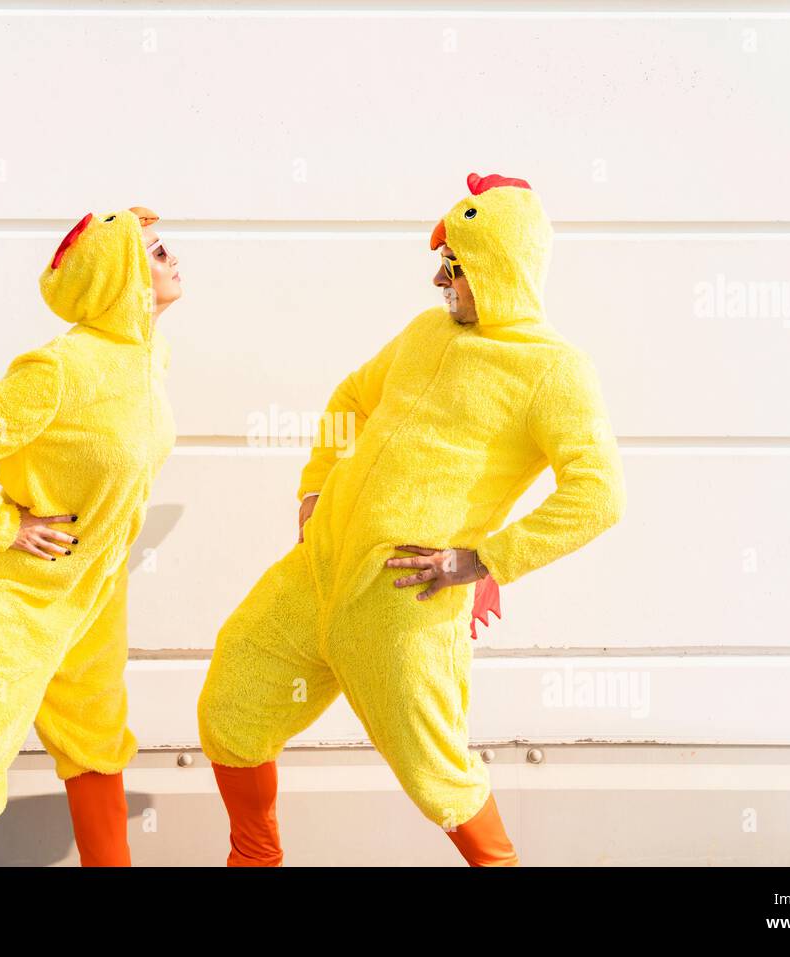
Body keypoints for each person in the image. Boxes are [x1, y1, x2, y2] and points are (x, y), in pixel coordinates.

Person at [196, 173, 625, 866]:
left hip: (404, 603)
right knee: (231, 706)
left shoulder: (555, 371)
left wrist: (480, 560)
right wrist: (312, 489)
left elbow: (600, 493)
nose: (437, 280)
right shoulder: (426, 331)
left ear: (497, 266)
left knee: (441, 782)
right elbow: (351, 396)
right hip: (317, 574)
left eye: (452, 266)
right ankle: (256, 860)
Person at [0, 205, 181, 866]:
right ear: (122, 277)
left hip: (93, 591)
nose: (172, 259)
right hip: (19, 598)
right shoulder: (61, 368)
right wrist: (2, 525)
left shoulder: (147, 354)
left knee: (96, 740)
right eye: (156, 252)